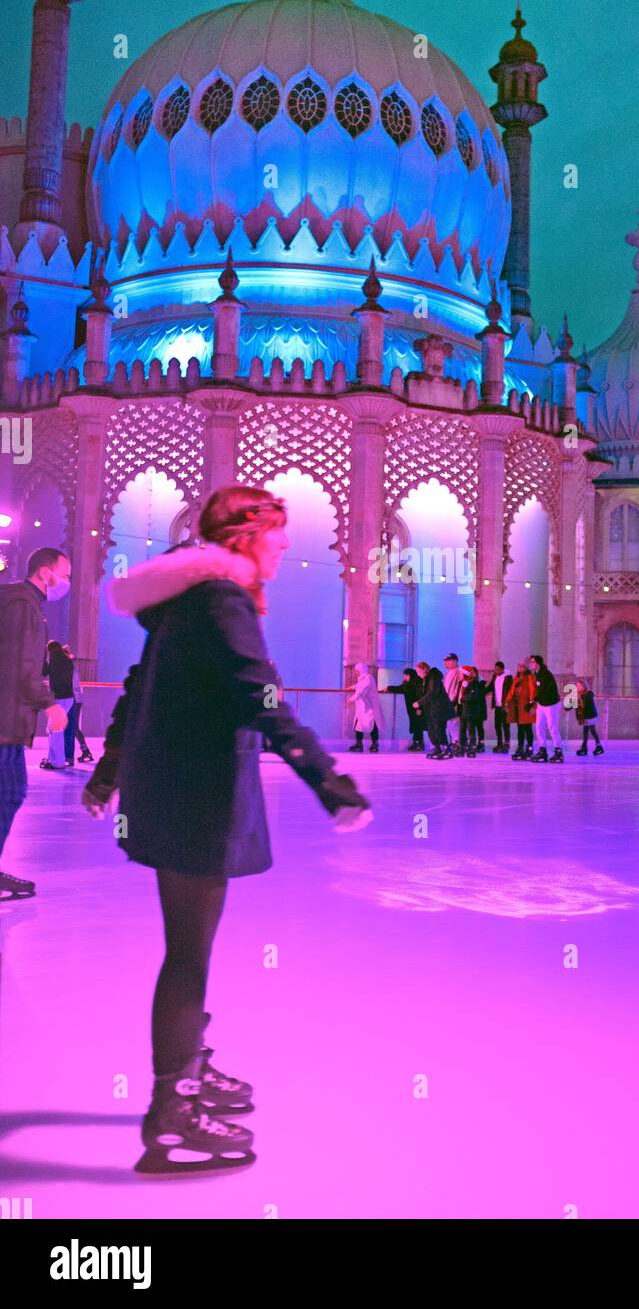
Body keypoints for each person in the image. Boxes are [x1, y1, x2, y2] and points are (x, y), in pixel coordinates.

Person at [82, 486, 371, 1176]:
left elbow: (137, 685)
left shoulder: (191, 599)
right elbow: (258, 691)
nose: (282, 546)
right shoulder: (220, 599)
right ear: (245, 535)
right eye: (276, 534)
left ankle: (190, 1069)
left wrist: (107, 774)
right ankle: (172, 1115)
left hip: (175, 790)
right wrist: (327, 779)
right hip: (197, 796)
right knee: (188, 955)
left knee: (190, 949)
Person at [0, 548, 71, 899]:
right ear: (45, 574)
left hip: (8, 719)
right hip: (5, 723)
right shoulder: (24, 606)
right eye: (65, 575)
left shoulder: (19, 602)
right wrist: (50, 706)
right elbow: (19, 668)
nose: (66, 583)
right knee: (9, 793)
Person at [40, 641, 76, 771]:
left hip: (60, 700)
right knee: (53, 730)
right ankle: (54, 759)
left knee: (55, 731)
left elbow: (43, 672)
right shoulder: (67, 661)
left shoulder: (55, 661)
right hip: (68, 699)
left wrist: (43, 657)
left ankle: (58, 762)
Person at [528, 655, 564, 763]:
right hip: (542, 704)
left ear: (538, 663)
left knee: (552, 728)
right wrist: (534, 701)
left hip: (551, 704)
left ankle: (558, 751)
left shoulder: (545, 674)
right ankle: (542, 750)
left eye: (533, 662)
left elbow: (544, 690)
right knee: (539, 727)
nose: (531, 664)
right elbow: (538, 691)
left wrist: (532, 702)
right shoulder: (537, 674)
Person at [415, 664, 453, 760]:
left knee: (438, 728)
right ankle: (438, 748)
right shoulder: (427, 679)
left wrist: (419, 703)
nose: (418, 674)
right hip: (431, 708)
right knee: (432, 729)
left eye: (419, 671)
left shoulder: (433, 678)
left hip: (439, 708)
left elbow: (432, 692)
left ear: (424, 669)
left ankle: (445, 749)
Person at [65, 646, 94, 764]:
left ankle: (85, 751)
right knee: (73, 727)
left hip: (73, 700)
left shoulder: (69, 668)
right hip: (75, 699)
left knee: (73, 727)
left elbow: (70, 685)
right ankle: (85, 751)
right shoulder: (71, 667)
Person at [348, 662, 383, 753]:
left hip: (370, 708)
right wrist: (352, 687)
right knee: (359, 725)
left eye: (357, 671)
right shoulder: (363, 679)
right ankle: (359, 744)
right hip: (363, 708)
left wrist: (351, 700)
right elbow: (359, 687)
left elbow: (361, 690)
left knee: (372, 725)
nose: (355, 673)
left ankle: (374, 744)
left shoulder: (368, 678)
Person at [386, 668, 425, 750]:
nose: (405, 677)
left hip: (417, 707)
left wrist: (419, 708)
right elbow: (401, 689)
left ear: (410, 675)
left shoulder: (417, 682)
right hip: (412, 707)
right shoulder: (408, 683)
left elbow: (419, 696)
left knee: (417, 725)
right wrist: (389, 688)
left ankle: (418, 743)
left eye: (406, 675)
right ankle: (417, 742)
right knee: (415, 725)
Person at [507, 662, 537, 761]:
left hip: (526, 707)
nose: (520, 668)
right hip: (517, 707)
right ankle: (520, 747)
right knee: (520, 729)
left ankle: (529, 747)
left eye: (522, 666)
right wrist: (507, 702)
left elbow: (532, 691)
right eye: (519, 666)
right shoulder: (516, 677)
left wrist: (532, 705)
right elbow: (512, 691)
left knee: (527, 728)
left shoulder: (529, 677)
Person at [457, 665, 487, 757]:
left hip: (471, 711)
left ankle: (472, 747)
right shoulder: (463, 683)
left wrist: (462, 699)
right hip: (463, 710)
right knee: (462, 729)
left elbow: (473, 696)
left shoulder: (474, 683)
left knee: (471, 730)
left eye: (461, 673)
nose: (460, 675)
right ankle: (462, 746)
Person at [487, 661, 513, 753]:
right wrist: (482, 691)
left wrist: (508, 703)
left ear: (502, 669)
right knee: (497, 725)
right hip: (497, 706)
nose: (496, 671)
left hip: (504, 705)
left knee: (505, 725)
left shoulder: (508, 678)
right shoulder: (495, 677)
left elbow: (511, 691)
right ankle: (499, 743)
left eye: (498, 669)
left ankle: (506, 743)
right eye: (495, 669)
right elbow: (490, 687)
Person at [574, 678, 604, 756]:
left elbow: (587, 700)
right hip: (585, 716)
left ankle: (599, 746)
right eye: (577, 686)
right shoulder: (579, 695)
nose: (578, 687)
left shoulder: (589, 693)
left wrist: (578, 698)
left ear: (584, 686)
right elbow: (576, 705)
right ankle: (584, 748)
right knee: (585, 732)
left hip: (591, 716)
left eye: (579, 686)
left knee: (592, 730)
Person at [442, 653, 463, 754]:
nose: (445, 662)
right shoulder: (447, 673)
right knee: (450, 723)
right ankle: (453, 742)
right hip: (447, 701)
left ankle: (457, 742)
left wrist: (456, 702)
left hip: (454, 701)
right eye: (445, 660)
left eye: (448, 660)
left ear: (455, 661)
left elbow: (460, 687)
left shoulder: (459, 672)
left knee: (455, 722)